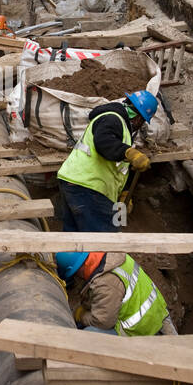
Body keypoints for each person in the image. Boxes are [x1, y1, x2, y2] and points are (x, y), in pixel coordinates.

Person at [57, 90, 158, 233]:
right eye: (141, 121)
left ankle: (68, 255)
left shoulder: (122, 130)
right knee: (105, 239)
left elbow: (120, 168)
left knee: (75, 238)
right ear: (138, 118)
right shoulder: (112, 119)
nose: (138, 124)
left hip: (75, 183)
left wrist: (124, 193)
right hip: (88, 187)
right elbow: (104, 143)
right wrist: (130, 153)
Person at [56, 250, 176, 336]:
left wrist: (81, 316)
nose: (77, 277)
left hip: (140, 330)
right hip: (157, 313)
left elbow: (102, 322)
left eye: (75, 274)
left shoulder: (105, 284)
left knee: (90, 335)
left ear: (78, 268)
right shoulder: (111, 256)